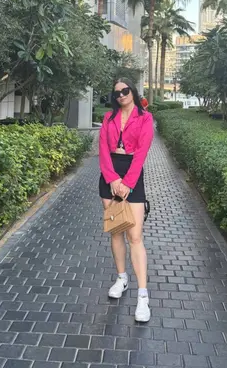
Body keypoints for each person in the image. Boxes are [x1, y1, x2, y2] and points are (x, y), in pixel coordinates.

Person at [99, 78, 154, 323]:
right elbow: (103, 149)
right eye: (117, 93)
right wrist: (112, 179)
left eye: (125, 90)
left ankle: (143, 295)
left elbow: (142, 152)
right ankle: (122, 278)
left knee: (135, 236)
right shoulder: (108, 118)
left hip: (132, 174)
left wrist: (128, 183)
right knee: (116, 231)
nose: (121, 95)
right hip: (110, 175)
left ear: (133, 91)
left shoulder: (145, 118)